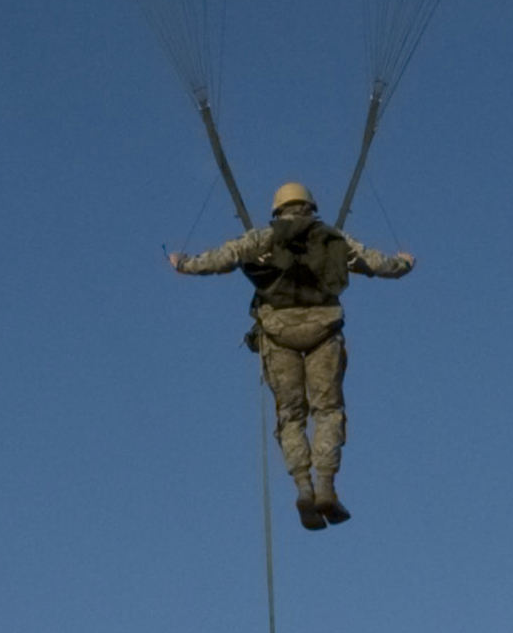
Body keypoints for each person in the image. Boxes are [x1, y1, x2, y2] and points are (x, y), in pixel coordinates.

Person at [171, 183, 413, 527]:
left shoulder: (263, 239)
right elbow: (377, 264)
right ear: (310, 206)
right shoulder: (333, 239)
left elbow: (223, 258)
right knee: (328, 411)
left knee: (290, 415)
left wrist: (184, 264)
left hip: (278, 334)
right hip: (324, 333)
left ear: (278, 210)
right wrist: (404, 263)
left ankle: (303, 489)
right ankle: (327, 486)